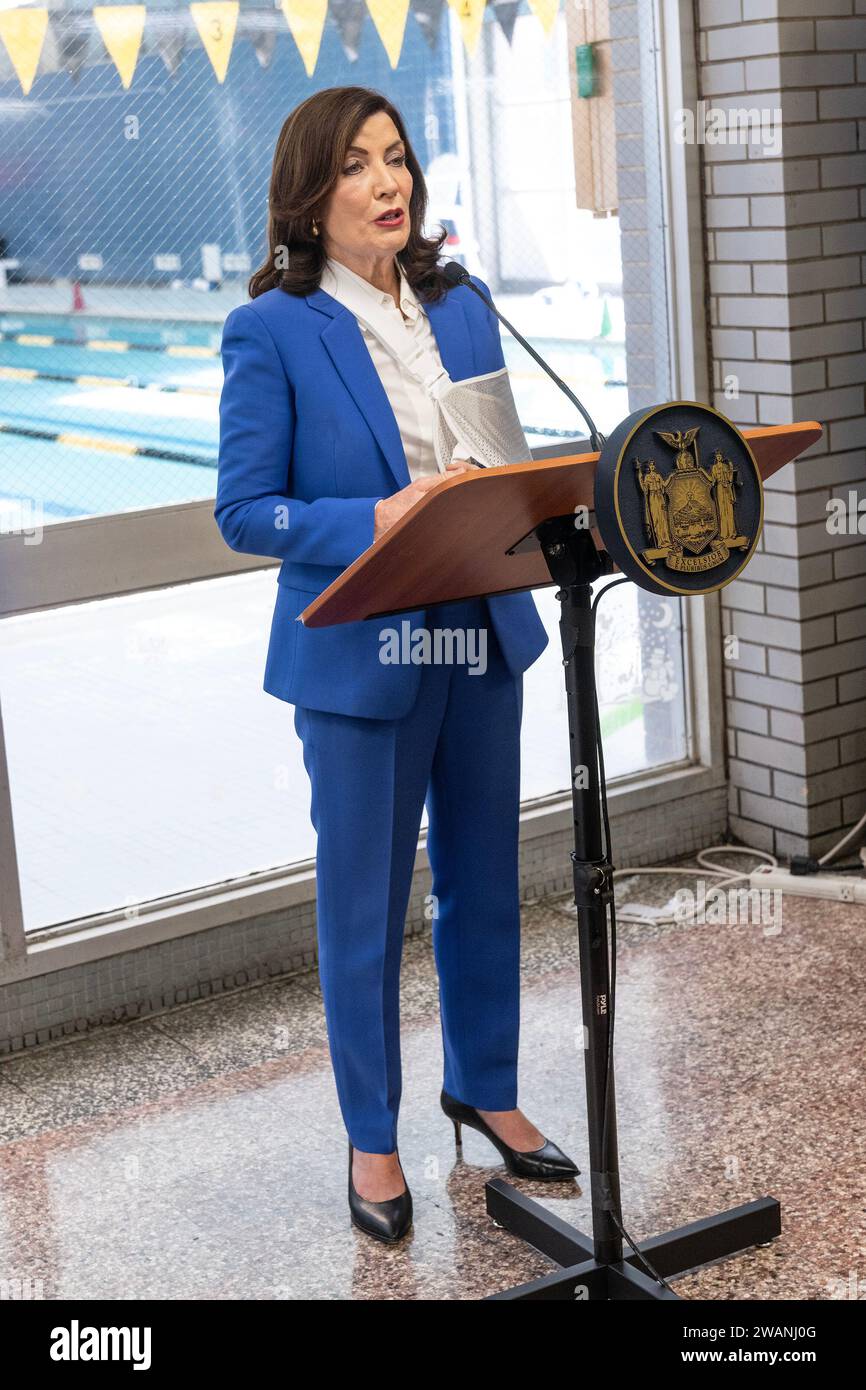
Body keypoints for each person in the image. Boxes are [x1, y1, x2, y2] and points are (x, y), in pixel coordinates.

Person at [215, 86, 579, 1245]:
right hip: (359, 656)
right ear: (311, 199)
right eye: (358, 167)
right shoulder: (271, 329)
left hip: (477, 632)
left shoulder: (458, 307)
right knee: (364, 905)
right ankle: (371, 1136)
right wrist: (367, 518)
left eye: (397, 159)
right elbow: (243, 511)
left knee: (482, 876)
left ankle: (484, 1085)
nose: (388, 183)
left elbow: (498, 456)